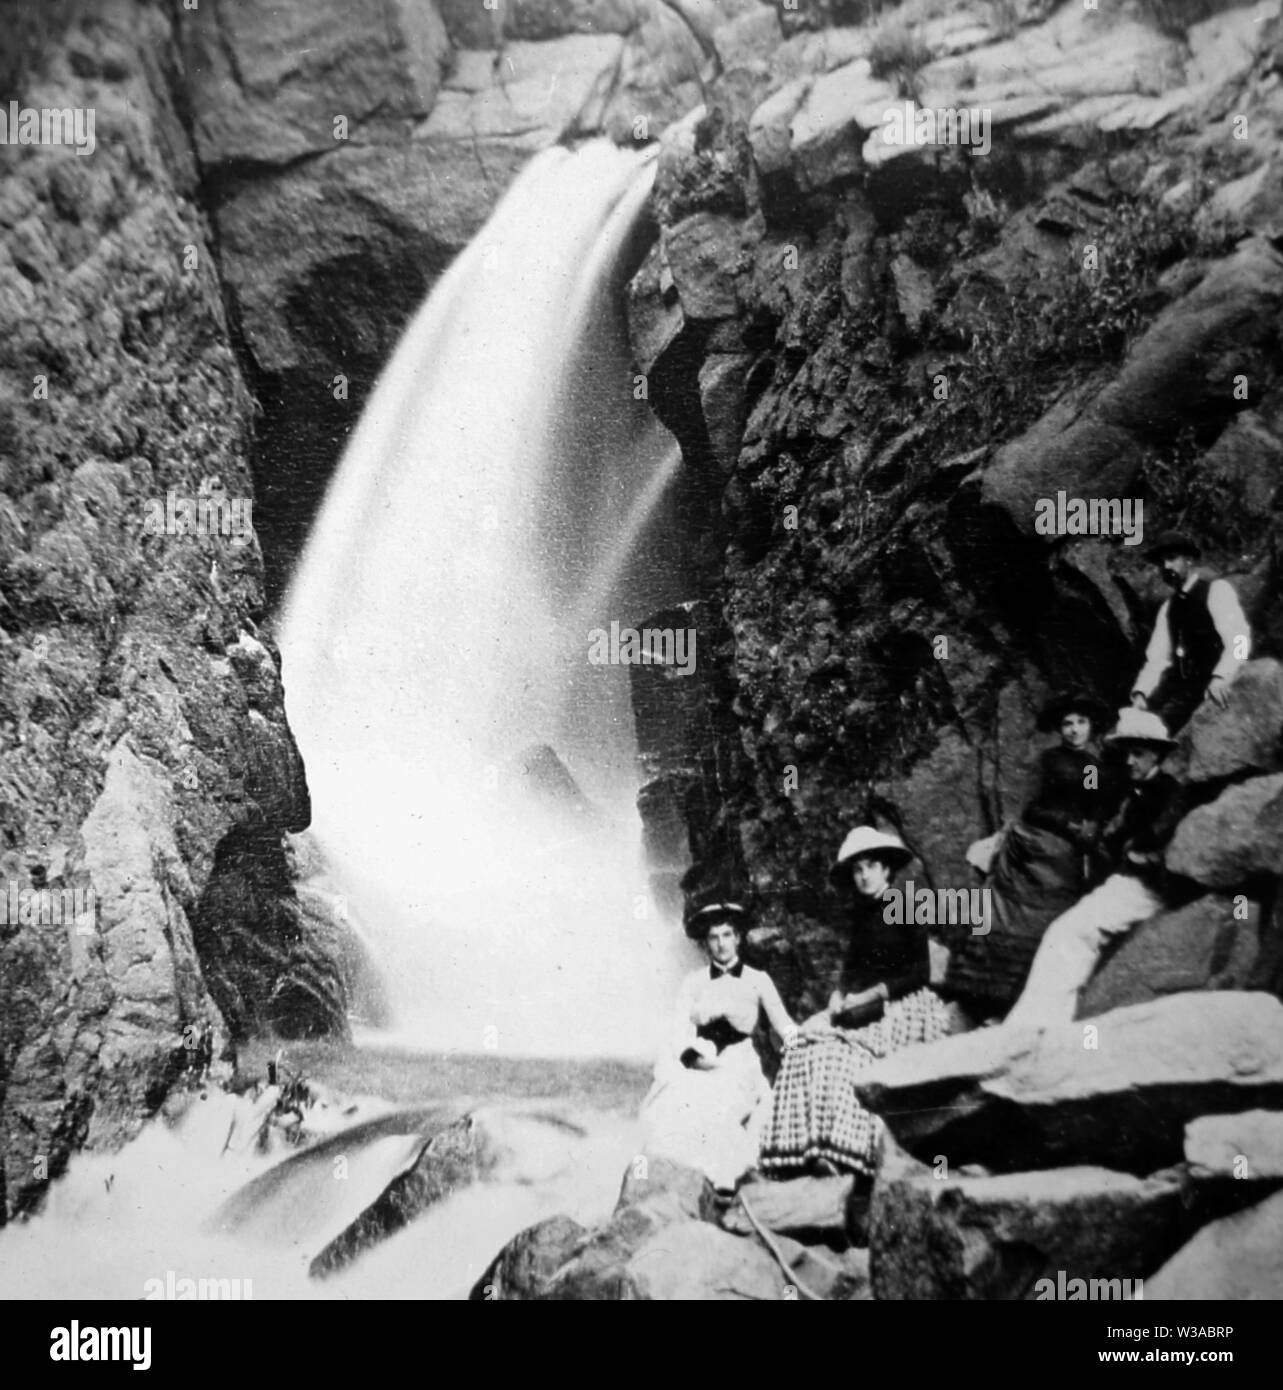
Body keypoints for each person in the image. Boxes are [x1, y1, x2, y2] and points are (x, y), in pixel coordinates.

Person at [758, 826, 950, 1179]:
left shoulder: (908, 903)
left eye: (871, 866)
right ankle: (806, 1148)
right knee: (802, 1043)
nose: (863, 875)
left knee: (844, 1056)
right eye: (858, 869)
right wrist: (837, 994)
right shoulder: (862, 913)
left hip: (902, 1005)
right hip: (861, 1004)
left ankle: (847, 1152)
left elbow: (919, 972)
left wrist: (872, 994)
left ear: (886, 869)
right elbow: (851, 968)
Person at [1003, 707, 1187, 1030]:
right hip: (1122, 881)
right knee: (1061, 932)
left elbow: (1154, 840)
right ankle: (1037, 1024)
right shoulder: (1128, 788)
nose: (1130, 761)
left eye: (1138, 754)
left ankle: (1041, 1026)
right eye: (1127, 754)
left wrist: (1128, 850)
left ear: (1157, 754)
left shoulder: (1169, 792)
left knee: (1070, 934)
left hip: (1147, 887)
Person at [945, 690, 1126, 1015]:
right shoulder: (1050, 760)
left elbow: (1095, 804)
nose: (1073, 730)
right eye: (1067, 723)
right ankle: (981, 992)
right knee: (1006, 910)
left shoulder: (1095, 766)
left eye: (1081, 722)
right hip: (1033, 844)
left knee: (1052, 917)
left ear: (1092, 725)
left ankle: (1025, 997)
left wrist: (1093, 825)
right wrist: (1072, 826)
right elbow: (1034, 807)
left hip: (1066, 855)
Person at [639, 900, 797, 1193]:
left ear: (738, 938)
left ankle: (725, 1180)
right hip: (701, 1057)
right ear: (706, 944)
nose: (721, 944)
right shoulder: (693, 981)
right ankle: (682, 1183)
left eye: (727, 935)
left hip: (739, 1060)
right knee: (673, 1104)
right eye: (714, 938)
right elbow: (678, 1031)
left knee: (721, 1106)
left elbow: (783, 1024)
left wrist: (803, 1041)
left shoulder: (758, 980)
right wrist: (692, 1058)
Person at [1130, 531, 1251, 733]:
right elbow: (1157, 659)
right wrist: (1141, 692)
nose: (1166, 567)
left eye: (1172, 558)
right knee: (1143, 730)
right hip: (1185, 691)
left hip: (1218, 685)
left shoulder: (1216, 590)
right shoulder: (1169, 608)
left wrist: (1223, 676)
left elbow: (1240, 639)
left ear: (1189, 560)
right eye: (1161, 563)